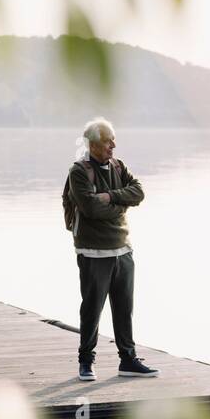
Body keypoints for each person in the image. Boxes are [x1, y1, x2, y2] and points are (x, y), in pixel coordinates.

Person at [67, 117, 156, 380]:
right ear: (93, 144)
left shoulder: (118, 166)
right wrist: (121, 204)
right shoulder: (79, 172)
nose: (113, 145)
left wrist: (111, 197)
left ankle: (127, 360)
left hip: (123, 250)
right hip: (94, 253)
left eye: (113, 140)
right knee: (92, 308)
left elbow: (138, 192)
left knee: (124, 308)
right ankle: (86, 361)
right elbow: (91, 209)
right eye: (107, 141)